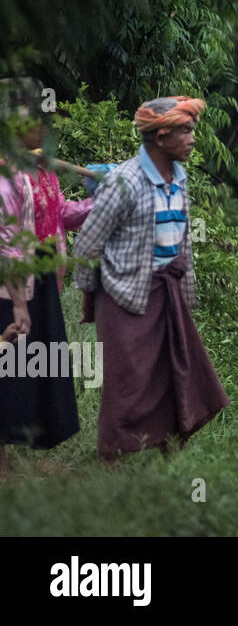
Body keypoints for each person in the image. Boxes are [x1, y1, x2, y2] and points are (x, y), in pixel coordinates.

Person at [72, 96, 229, 461]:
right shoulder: (123, 183)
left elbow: (183, 242)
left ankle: (171, 459)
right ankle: (110, 460)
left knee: (180, 375)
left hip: (166, 293)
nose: (192, 139)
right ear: (160, 137)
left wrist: (186, 296)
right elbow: (87, 244)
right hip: (125, 296)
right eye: (185, 131)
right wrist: (92, 299)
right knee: (127, 386)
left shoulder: (180, 178)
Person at [0, 83, 85, 469]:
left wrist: (101, 200)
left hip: (42, 278)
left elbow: (62, 211)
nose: (46, 131)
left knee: (32, 368)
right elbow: (8, 243)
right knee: (7, 371)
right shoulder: (6, 173)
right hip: (12, 285)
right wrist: (19, 303)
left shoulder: (39, 168)